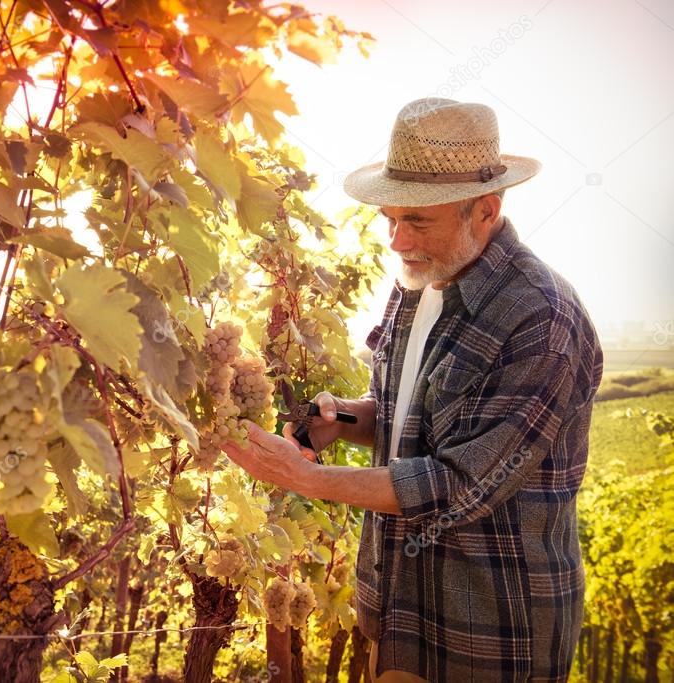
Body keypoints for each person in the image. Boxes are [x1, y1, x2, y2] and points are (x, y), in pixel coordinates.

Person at [220, 97, 604, 682]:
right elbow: (413, 415)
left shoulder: (542, 319)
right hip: (398, 606)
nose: (397, 241)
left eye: (417, 221)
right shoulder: (421, 280)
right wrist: (347, 418)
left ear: (486, 210)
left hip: (489, 628)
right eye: (391, 220)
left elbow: (463, 482)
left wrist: (308, 478)